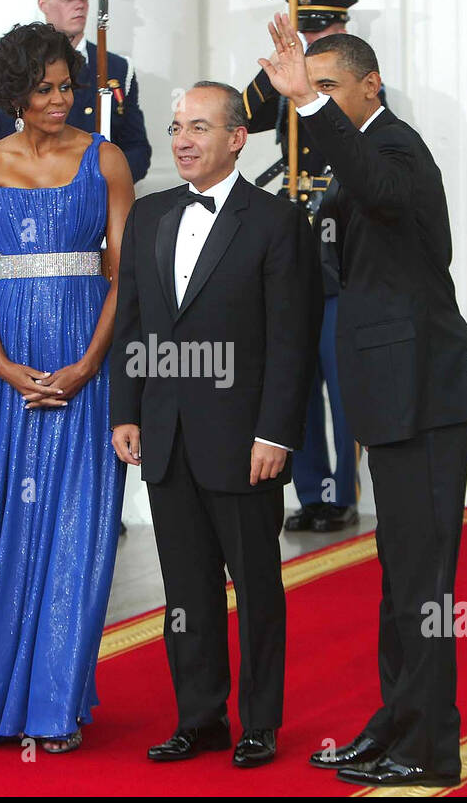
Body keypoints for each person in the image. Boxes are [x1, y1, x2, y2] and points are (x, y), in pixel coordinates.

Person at [258, 19, 467, 786]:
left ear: (373, 87)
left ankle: (430, 749)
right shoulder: (356, 158)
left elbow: (377, 187)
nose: (316, 99)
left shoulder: (397, 149)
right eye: (312, 86)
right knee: (401, 574)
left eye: (330, 87)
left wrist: (310, 107)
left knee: (423, 583)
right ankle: (397, 723)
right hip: (392, 396)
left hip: (427, 394)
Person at [110, 82, 321, 768]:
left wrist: (277, 434)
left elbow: (293, 339)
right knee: (186, 592)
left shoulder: (276, 222)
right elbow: (133, 322)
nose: (182, 140)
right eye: (176, 127)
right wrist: (127, 410)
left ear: (237, 138)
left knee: (256, 587)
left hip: (245, 440)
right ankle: (200, 717)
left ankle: (260, 722)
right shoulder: (147, 217)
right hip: (167, 437)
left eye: (199, 127)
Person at [0, 22, 132, 753]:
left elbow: (123, 275)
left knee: (78, 529)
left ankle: (55, 703)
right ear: (15, 93)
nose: (58, 100)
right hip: (4, 368)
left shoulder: (105, 160)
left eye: (66, 86)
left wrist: (87, 365)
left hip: (87, 359)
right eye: (43, 88)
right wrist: (1, 362)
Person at [244, 0, 365, 535]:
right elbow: (242, 113)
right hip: (293, 250)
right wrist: (276, 69)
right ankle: (311, 490)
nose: (312, 42)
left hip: (340, 256)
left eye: (321, 33)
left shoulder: (354, 89)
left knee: (342, 387)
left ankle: (343, 493)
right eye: (305, 32)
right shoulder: (288, 88)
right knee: (297, 380)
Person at [0, 0, 151, 184]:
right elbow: (3, 136)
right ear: (43, 4)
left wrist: (104, 177)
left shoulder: (117, 69)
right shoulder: (19, 64)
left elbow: (137, 148)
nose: (79, 5)